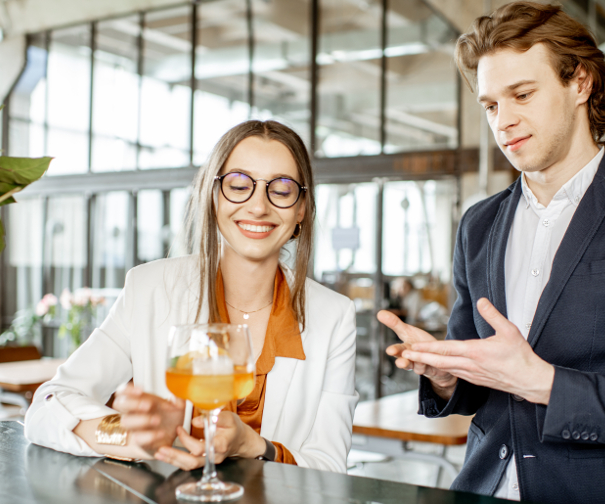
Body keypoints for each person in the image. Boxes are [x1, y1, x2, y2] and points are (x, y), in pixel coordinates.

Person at [379, 3, 605, 503]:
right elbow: (477, 378)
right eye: (491, 105)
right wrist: (444, 376)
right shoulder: (478, 225)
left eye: (522, 94)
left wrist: (543, 382)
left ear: (581, 83)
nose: (504, 121)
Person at [25, 120, 359, 473]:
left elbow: (329, 468)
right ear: (213, 195)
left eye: (281, 189)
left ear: (301, 208)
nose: (258, 206)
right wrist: (132, 437)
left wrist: (254, 446)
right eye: (239, 185)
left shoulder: (335, 316)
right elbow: (48, 406)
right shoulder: (149, 288)